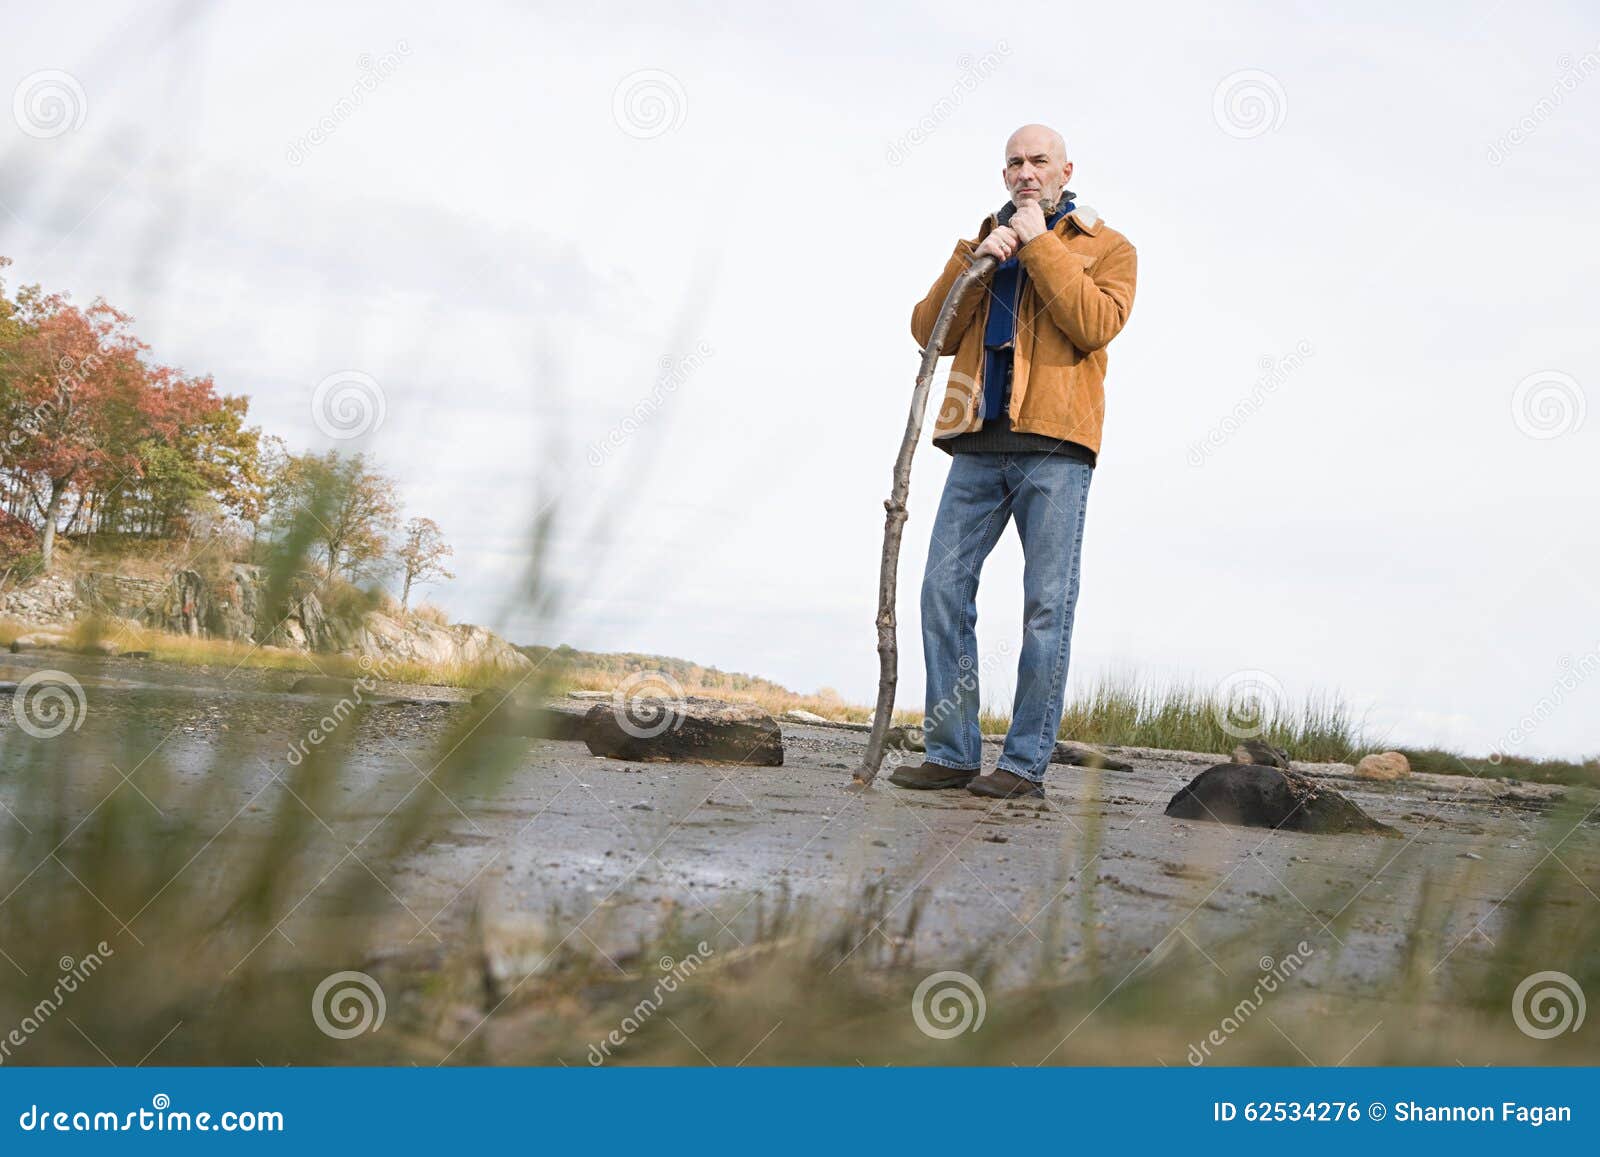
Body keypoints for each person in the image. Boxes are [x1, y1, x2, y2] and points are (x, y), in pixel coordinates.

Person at [889, 124, 1138, 800]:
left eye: (1039, 161)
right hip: (976, 440)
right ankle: (951, 752)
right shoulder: (984, 239)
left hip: (1057, 447)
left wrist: (1039, 242)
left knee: (1046, 608)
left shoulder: (1108, 247)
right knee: (941, 589)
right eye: (1014, 162)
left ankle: (1024, 765)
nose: (1026, 171)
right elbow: (927, 332)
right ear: (1005, 174)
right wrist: (975, 259)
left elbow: (1093, 323)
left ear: (1066, 170)